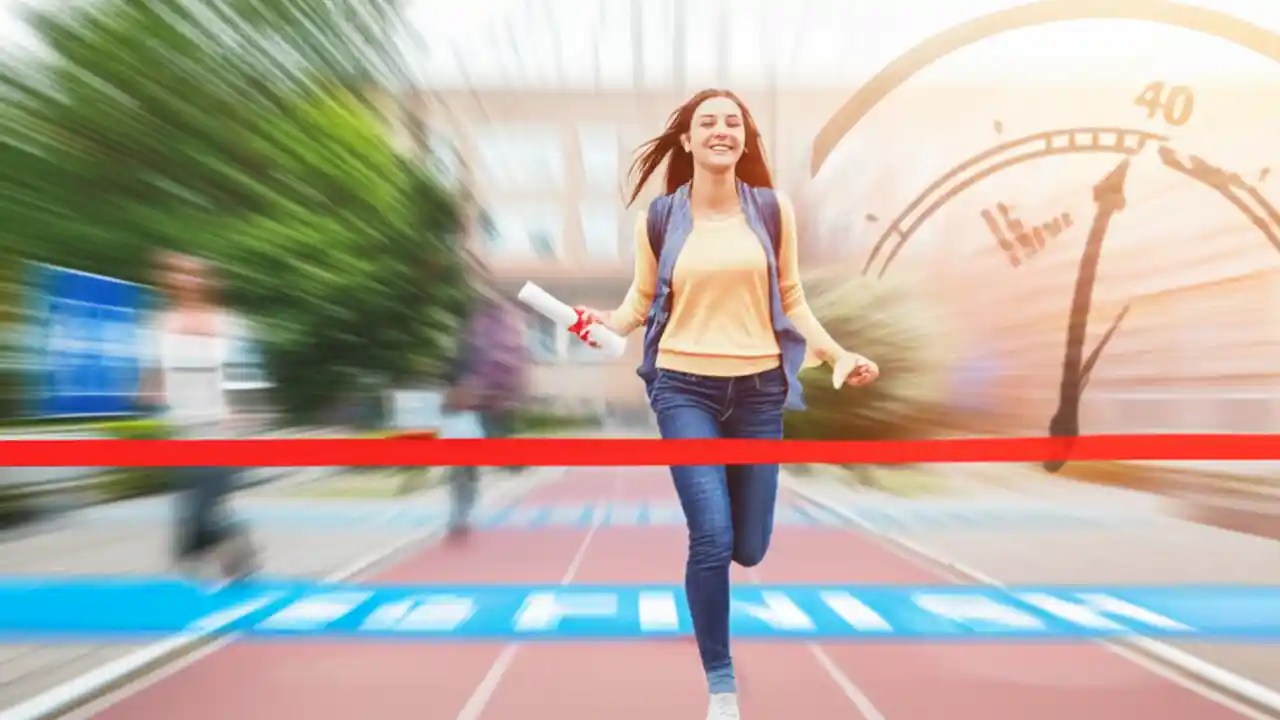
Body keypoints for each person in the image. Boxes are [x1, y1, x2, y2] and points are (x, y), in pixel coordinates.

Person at [571, 89, 879, 720]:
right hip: (684, 388)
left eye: (732, 122)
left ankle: (723, 621)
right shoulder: (660, 217)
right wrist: (598, 319)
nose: (721, 130)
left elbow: (792, 297)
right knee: (710, 536)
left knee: (750, 547)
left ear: (745, 138)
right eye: (706, 122)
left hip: (761, 391)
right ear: (686, 139)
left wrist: (840, 355)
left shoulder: (770, 210)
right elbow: (637, 304)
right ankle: (721, 685)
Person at [139, 250, 259, 581]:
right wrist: (151, 390)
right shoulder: (160, 325)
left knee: (206, 502)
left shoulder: (229, 324)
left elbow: (246, 373)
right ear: (168, 280)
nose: (186, 280)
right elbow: (154, 372)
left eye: (194, 274)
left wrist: (244, 411)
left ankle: (224, 548)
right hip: (182, 426)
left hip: (221, 424)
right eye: (178, 273)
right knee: (194, 510)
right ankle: (231, 548)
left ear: (207, 281)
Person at [442, 270, 529, 535]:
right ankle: (460, 514)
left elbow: (507, 364)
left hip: (482, 402)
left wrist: (498, 393)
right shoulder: (480, 327)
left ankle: (462, 512)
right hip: (472, 402)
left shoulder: (498, 325)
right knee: (463, 463)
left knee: (468, 463)